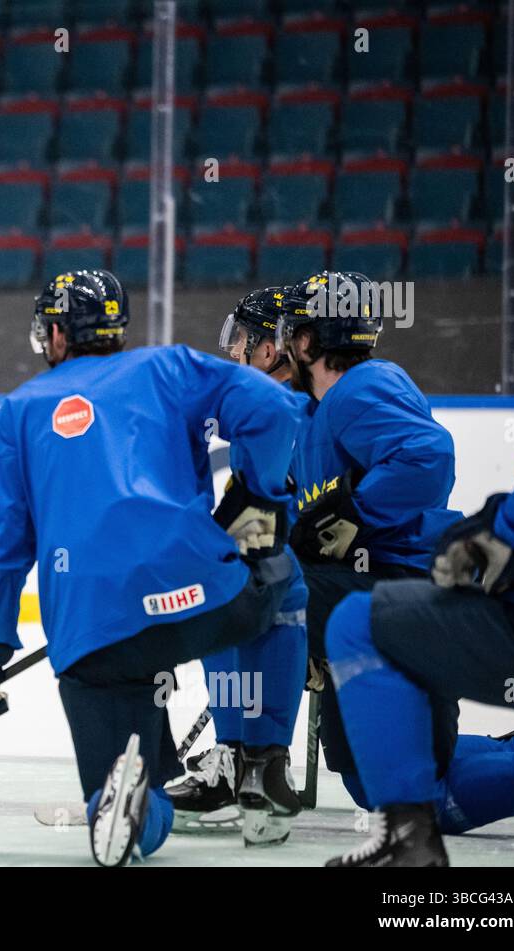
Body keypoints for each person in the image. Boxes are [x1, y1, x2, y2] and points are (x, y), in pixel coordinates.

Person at [0, 268, 302, 866]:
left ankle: (131, 795)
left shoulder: (19, 411)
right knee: (281, 580)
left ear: (56, 335)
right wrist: (258, 500)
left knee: (127, 807)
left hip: (94, 633)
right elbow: (273, 407)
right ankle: (261, 762)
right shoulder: (168, 368)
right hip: (201, 597)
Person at [278, 271, 514, 841]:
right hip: (374, 581)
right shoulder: (324, 407)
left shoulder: (359, 386)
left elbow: (430, 458)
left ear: (308, 342)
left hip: (390, 583)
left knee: (262, 583)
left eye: (293, 332)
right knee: (367, 778)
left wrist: (352, 511)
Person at [166, 287, 310, 846]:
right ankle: (255, 760)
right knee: (235, 573)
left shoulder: (280, 410)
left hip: (313, 574)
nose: (236, 352)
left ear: (271, 349)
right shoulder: (285, 401)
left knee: (231, 580)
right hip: (309, 565)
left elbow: (277, 519)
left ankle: (244, 757)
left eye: (245, 340)